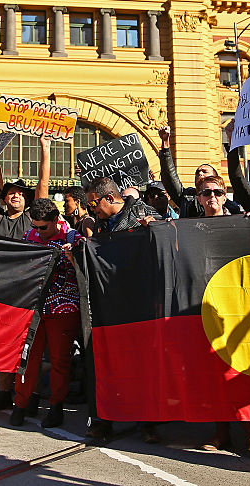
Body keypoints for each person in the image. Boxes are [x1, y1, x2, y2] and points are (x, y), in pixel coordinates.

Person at [0, 134, 50, 412]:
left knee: (27, 345)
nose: (16, 194)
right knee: (1, 344)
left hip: (29, 291)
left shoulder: (33, 218)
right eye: (11, 192)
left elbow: (43, 185)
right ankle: (3, 393)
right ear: (5, 199)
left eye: (20, 192)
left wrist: (45, 150)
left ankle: (28, 394)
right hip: (1, 291)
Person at [85, 176, 160, 442]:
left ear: (109, 198)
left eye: (93, 203)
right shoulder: (98, 225)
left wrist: (155, 230)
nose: (91, 209)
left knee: (143, 362)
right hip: (109, 300)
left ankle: (148, 422)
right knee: (105, 361)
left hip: (141, 298)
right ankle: (103, 420)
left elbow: (170, 241)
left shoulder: (143, 211)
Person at [193, 175, 250, 458]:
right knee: (214, 375)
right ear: (198, 198)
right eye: (206, 192)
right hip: (205, 307)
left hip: (238, 307)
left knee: (244, 373)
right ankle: (221, 433)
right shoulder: (190, 228)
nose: (211, 197)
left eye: (217, 192)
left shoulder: (241, 222)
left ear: (225, 196)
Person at [9, 198, 83, 430]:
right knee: (28, 358)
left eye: (43, 227)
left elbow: (88, 271)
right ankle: (20, 403)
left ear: (55, 220)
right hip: (35, 307)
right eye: (35, 226)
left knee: (60, 360)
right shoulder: (28, 237)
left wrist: (74, 258)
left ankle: (56, 406)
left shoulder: (73, 238)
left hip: (63, 308)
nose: (38, 232)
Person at [157, 126, 241, 216]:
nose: (200, 174)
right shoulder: (186, 197)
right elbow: (169, 177)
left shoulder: (232, 208)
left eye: (204, 172)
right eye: (197, 173)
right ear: (199, 199)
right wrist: (165, 145)